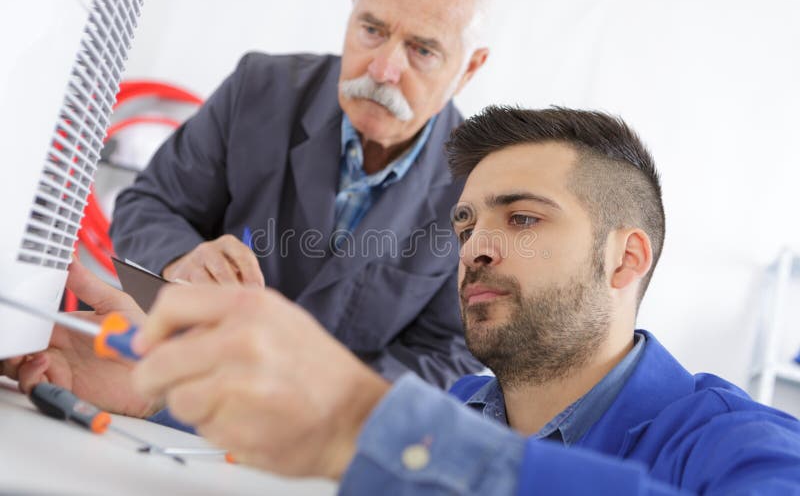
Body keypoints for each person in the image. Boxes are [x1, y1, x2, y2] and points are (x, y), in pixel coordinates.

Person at [7, 106, 800, 494]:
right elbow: (300, 430)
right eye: (466, 223)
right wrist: (155, 390)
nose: (476, 246)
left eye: (522, 218)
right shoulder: (462, 408)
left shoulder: (737, 442)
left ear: (626, 258)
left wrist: (363, 422)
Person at [108, 0, 494, 387]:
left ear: (469, 69)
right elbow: (146, 205)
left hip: (335, 423)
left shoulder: (480, 188)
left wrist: (331, 400)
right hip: (191, 381)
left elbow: (446, 351)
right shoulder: (258, 89)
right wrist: (183, 258)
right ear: (352, 12)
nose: (382, 70)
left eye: (422, 51)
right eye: (372, 30)